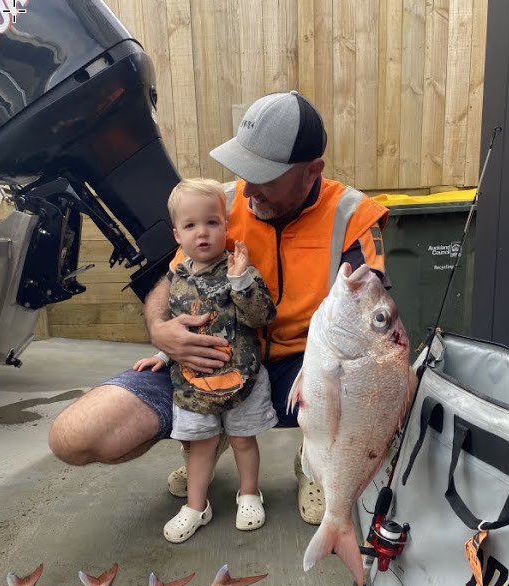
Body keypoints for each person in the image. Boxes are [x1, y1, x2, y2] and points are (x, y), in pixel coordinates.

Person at [49, 90, 391, 526]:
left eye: (266, 176)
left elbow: (372, 317)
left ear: (312, 172)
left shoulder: (351, 215)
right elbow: (168, 281)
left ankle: (314, 459)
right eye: (244, 169)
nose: (249, 189)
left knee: (386, 386)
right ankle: (211, 433)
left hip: (304, 367)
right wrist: (161, 331)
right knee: (75, 436)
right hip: (211, 358)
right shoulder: (218, 206)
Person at [130, 178, 278, 542]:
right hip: (194, 384)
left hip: (242, 377)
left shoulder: (239, 271)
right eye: (191, 225)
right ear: (177, 235)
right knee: (200, 445)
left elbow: (261, 316)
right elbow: (181, 327)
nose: (202, 233)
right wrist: (163, 354)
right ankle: (196, 506)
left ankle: (249, 494)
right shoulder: (178, 278)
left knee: (243, 440)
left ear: (226, 226)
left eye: (212, 222)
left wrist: (241, 281)